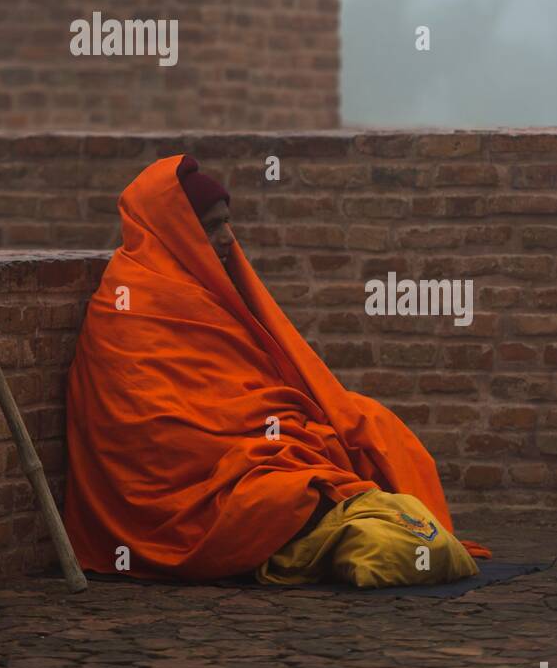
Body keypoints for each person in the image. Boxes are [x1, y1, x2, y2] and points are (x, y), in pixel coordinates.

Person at [64, 153, 490, 588]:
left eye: (227, 222)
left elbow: (238, 386)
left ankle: (385, 526)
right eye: (211, 227)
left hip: (243, 445)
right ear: (175, 230)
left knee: (370, 424)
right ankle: (371, 527)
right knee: (287, 492)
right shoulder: (129, 301)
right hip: (177, 493)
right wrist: (268, 436)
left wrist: (282, 427)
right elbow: (156, 430)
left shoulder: (195, 285)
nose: (228, 238)